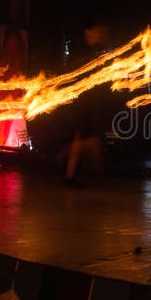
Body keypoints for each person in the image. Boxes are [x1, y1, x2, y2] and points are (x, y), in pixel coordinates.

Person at [63, 22, 112, 187]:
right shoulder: (83, 53)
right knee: (86, 137)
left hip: (86, 102)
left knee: (89, 137)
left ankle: (90, 173)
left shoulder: (92, 51)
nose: (100, 35)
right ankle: (84, 174)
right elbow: (77, 74)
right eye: (97, 32)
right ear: (88, 33)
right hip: (81, 103)